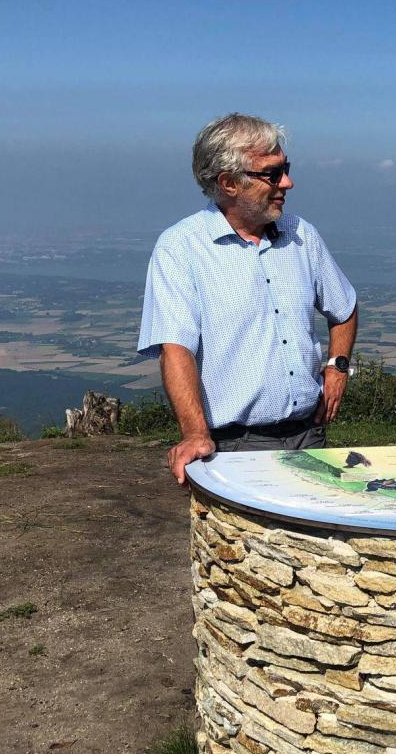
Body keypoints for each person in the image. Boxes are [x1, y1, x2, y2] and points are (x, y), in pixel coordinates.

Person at [137, 113, 358, 486]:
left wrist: (337, 367)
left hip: (310, 435)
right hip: (235, 447)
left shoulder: (302, 235)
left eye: (284, 168)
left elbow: (345, 307)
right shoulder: (182, 248)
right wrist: (194, 434)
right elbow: (176, 349)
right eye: (272, 174)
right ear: (228, 183)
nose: (287, 182)